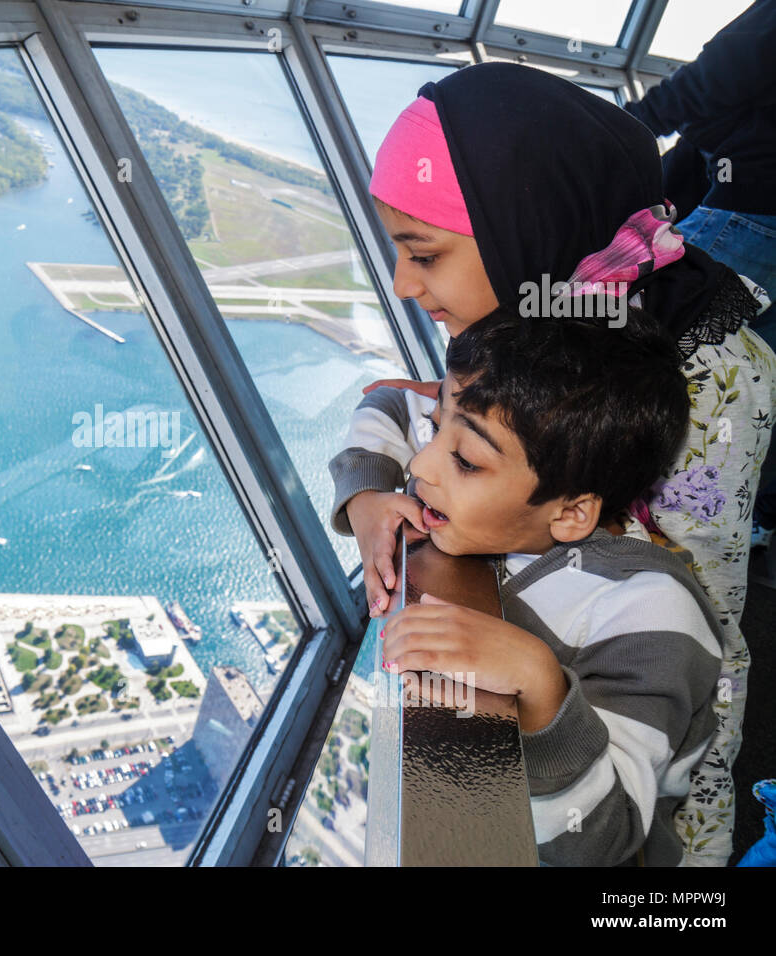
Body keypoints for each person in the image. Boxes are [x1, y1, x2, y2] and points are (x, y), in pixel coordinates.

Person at [330, 62, 776, 864]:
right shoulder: (535, 311)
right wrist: (368, 492)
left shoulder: (711, 380)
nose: (401, 284)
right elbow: (407, 400)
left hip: (647, 714)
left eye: (422, 254)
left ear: (522, 227)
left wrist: (539, 683)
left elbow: (691, 605)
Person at [375, 307, 720, 866]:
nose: (421, 463)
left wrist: (541, 686)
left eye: (464, 460)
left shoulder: (654, 618)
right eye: (438, 429)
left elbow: (605, 839)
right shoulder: (508, 492)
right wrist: (366, 497)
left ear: (571, 514)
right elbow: (385, 402)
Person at [621, 1, 776, 562]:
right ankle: (730, 533)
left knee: (633, 352)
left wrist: (627, 126)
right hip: (752, 213)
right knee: (754, 388)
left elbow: (722, 72)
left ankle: (617, 526)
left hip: (752, 214)